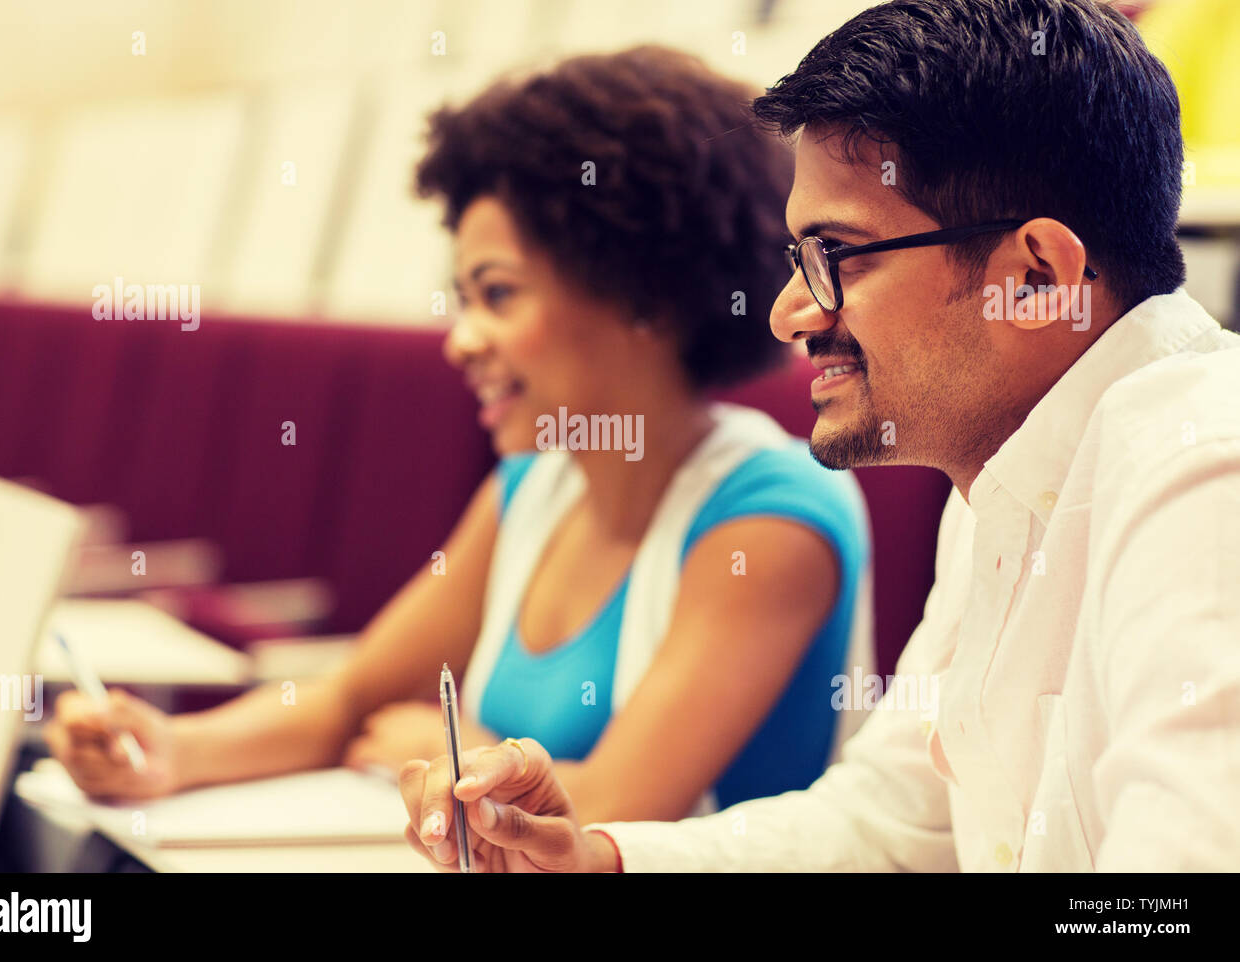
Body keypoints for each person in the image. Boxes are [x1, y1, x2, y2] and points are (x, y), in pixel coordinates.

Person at [397, 0, 1240, 872]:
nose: (790, 312)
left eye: (837, 255)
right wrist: (598, 859)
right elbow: (890, 824)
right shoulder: (1003, 471)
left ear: (1034, 280)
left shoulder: (1207, 478)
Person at [44, 46, 873, 826]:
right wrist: (168, 752)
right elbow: (347, 703)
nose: (461, 340)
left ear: (642, 299)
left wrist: (448, 751)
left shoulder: (774, 517)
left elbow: (620, 807)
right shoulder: (533, 488)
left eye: (498, 295)